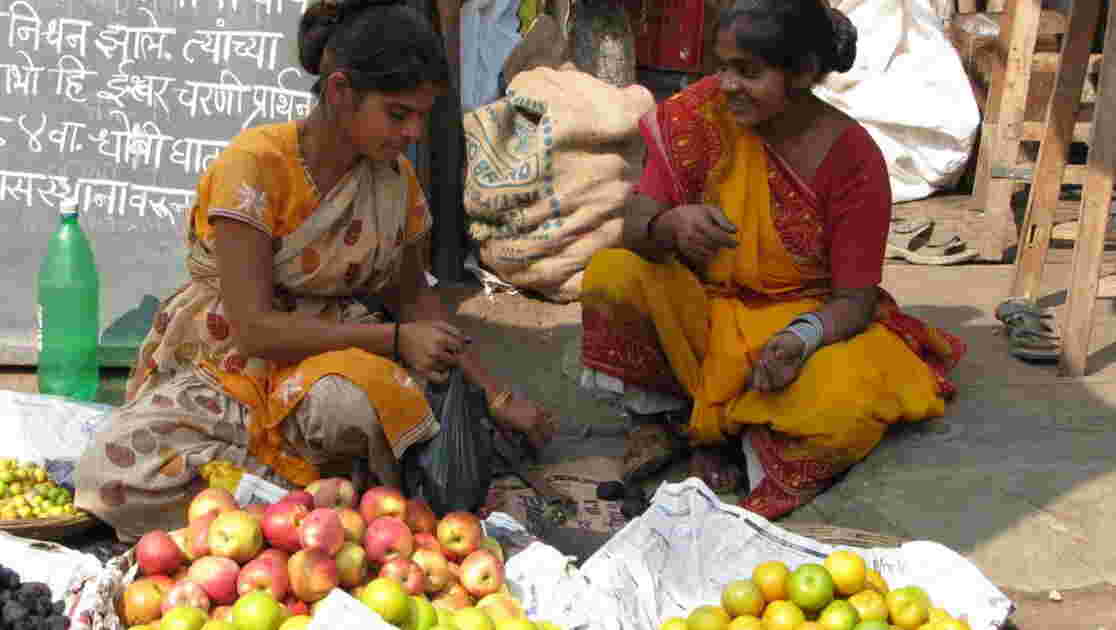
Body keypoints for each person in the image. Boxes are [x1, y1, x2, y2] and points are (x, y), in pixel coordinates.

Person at [75, 0, 555, 540]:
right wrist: (396, 340)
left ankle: (303, 509)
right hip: (229, 361)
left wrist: (497, 396)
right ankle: (311, 504)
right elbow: (254, 330)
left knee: (351, 406)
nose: (415, 132)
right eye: (398, 114)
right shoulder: (254, 166)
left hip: (328, 361)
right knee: (108, 476)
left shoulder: (394, 182)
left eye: (423, 115)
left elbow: (413, 299)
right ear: (341, 92)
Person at [579, 0, 966, 519]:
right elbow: (634, 228)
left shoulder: (852, 159)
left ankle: (726, 431)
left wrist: (801, 338)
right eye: (721, 67)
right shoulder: (698, 116)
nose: (727, 85)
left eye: (748, 72)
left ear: (802, 73)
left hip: (798, 327)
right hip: (701, 314)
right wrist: (669, 226)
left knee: (843, 400)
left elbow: (855, 300)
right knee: (612, 274)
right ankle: (671, 419)